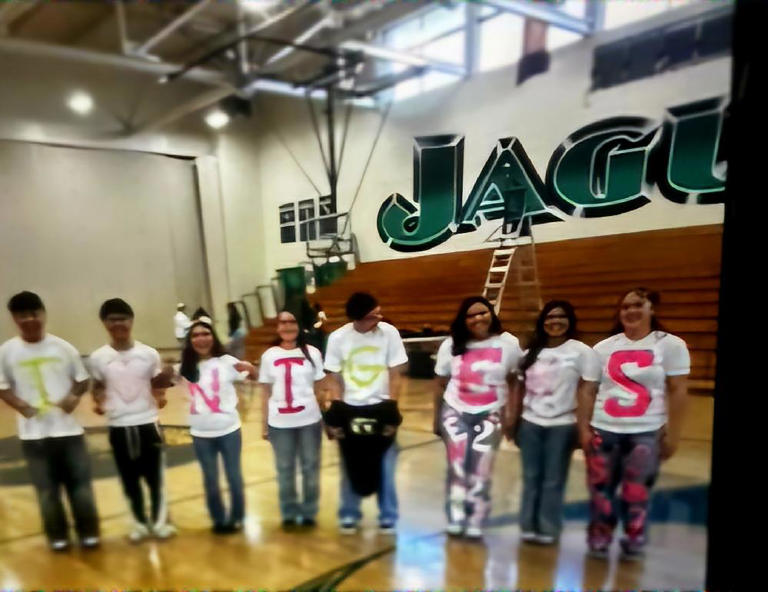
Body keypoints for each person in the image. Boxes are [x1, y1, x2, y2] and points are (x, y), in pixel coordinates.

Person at [577, 287, 690, 560]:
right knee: (600, 490)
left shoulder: (671, 345)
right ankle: (600, 538)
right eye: (625, 306)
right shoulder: (602, 348)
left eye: (638, 304)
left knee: (636, 491)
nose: (630, 311)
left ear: (652, 308)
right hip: (604, 428)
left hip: (646, 433)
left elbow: (677, 390)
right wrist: (582, 428)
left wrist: (674, 434)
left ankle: (633, 538)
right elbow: (588, 390)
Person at [0, 291, 99, 551]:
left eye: (35, 313)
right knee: (46, 491)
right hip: (34, 436)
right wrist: (20, 405)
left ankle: (89, 533)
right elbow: (2, 387)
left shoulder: (63, 347)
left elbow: (81, 380)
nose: (30, 319)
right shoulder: (7, 352)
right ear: (14, 318)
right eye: (23, 315)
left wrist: (72, 399)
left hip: (68, 431)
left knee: (80, 488)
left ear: (43, 314)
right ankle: (58, 537)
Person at [507, 300, 600, 545]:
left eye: (561, 317)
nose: (555, 321)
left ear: (570, 321)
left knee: (553, 480)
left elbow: (587, 392)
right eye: (549, 317)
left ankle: (548, 526)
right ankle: (528, 524)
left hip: (562, 425)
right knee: (530, 477)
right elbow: (518, 388)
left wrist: (584, 428)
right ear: (542, 321)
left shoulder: (581, 351)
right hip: (530, 424)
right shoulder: (531, 353)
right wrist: (512, 420)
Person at [433, 296, 522, 540]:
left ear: (491, 313)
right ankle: (456, 517)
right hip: (456, 410)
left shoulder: (508, 344)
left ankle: (476, 518)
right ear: (463, 320)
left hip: (492, 412)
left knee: (481, 470)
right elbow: (440, 383)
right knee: (458, 468)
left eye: (482, 313)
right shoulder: (451, 345)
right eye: (470, 315)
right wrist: (436, 420)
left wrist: (512, 416)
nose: (477, 318)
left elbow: (514, 381)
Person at [89, 298, 177, 543]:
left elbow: (157, 384)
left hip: (148, 423)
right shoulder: (98, 357)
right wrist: (97, 402)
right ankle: (139, 523)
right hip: (118, 425)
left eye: (123, 318)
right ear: (105, 323)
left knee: (154, 478)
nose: (118, 324)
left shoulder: (148, 354)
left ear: (131, 321)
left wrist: (161, 395)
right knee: (129, 480)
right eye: (112, 319)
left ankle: (160, 523)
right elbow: (97, 385)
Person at [324, 292, 408, 534]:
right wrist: (337, 407)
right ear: (359, 318)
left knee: (386, 464)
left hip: (380, 406)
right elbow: (334, 376)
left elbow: (395, 372)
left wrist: (392, 406)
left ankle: (388, 514)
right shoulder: (338, 338)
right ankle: (349, 513)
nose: (378, 318)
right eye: (373, 315)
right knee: (350, 463)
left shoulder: (388, 333)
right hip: (350, 407)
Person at [178, 317, 256, 534]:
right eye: (195, 335)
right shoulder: (184, 367)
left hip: (229, 430)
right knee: (210, 479)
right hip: (200, 433)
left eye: (206, 334)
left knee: (233, 476)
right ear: (189, 340)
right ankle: (219, 519)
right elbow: (160, 383)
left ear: (213, 336)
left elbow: (254, 377)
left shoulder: (227, 361)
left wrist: (251, 369)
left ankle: (238, 516)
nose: (201, 339)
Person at [258, 310, 325, 529]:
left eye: (292, 321)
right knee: (285, 468)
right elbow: (265, 392)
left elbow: (320, 389)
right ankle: (288, 512)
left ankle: (309, 512)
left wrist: (326, 418)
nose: (287, 326)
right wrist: (264, 423)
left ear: (298, 325)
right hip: (280, 423)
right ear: (277, 327)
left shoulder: (313, 353)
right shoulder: (269, 355)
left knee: (310, 467)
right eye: (282, 322)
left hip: (309, 420)